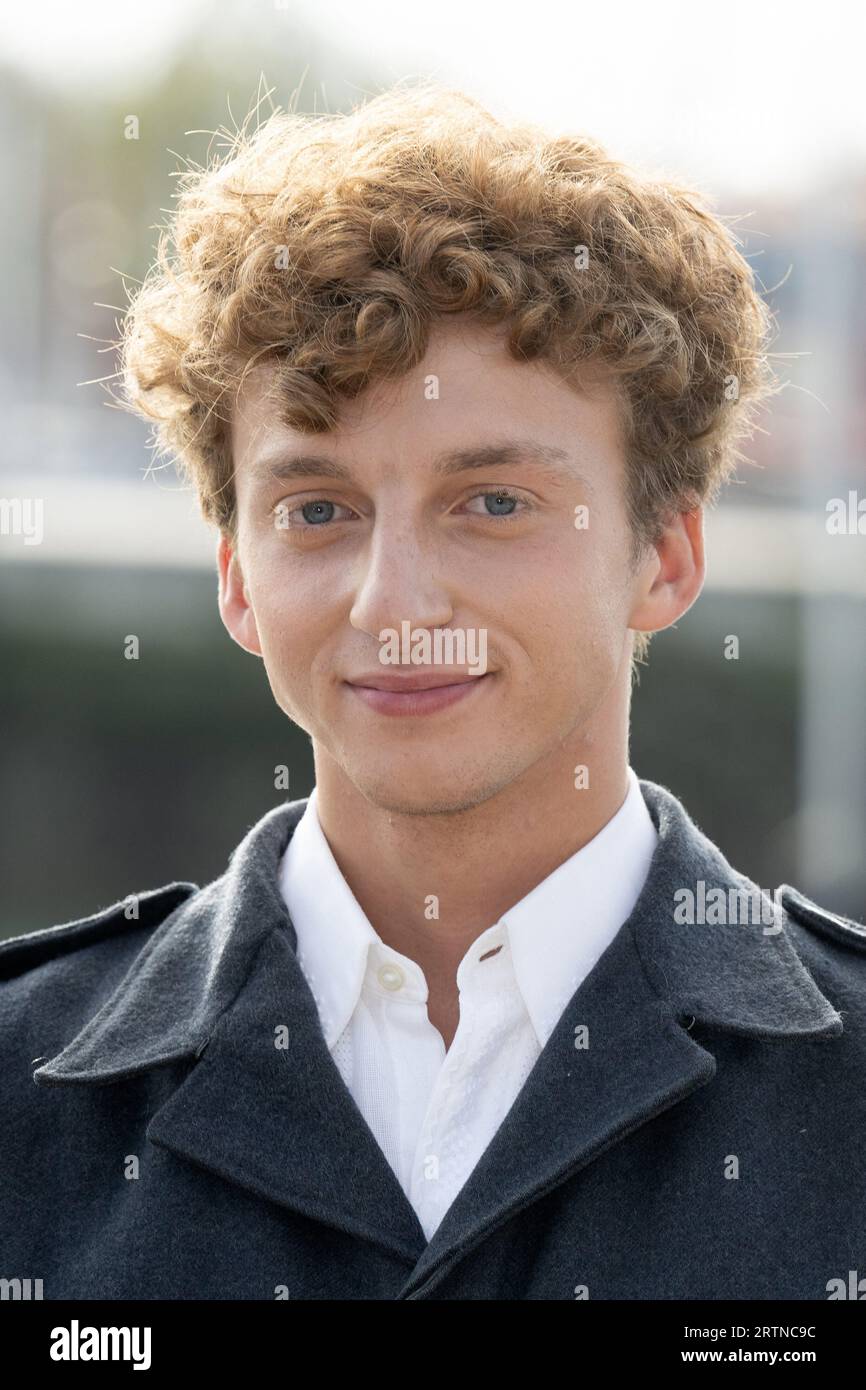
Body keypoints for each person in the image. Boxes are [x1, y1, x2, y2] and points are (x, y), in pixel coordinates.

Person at [2, 80, 864, 1301]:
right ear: (237, 578)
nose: (390, 605)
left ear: (663, 554)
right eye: (316, 511)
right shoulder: (20, 1096)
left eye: (493, 503)